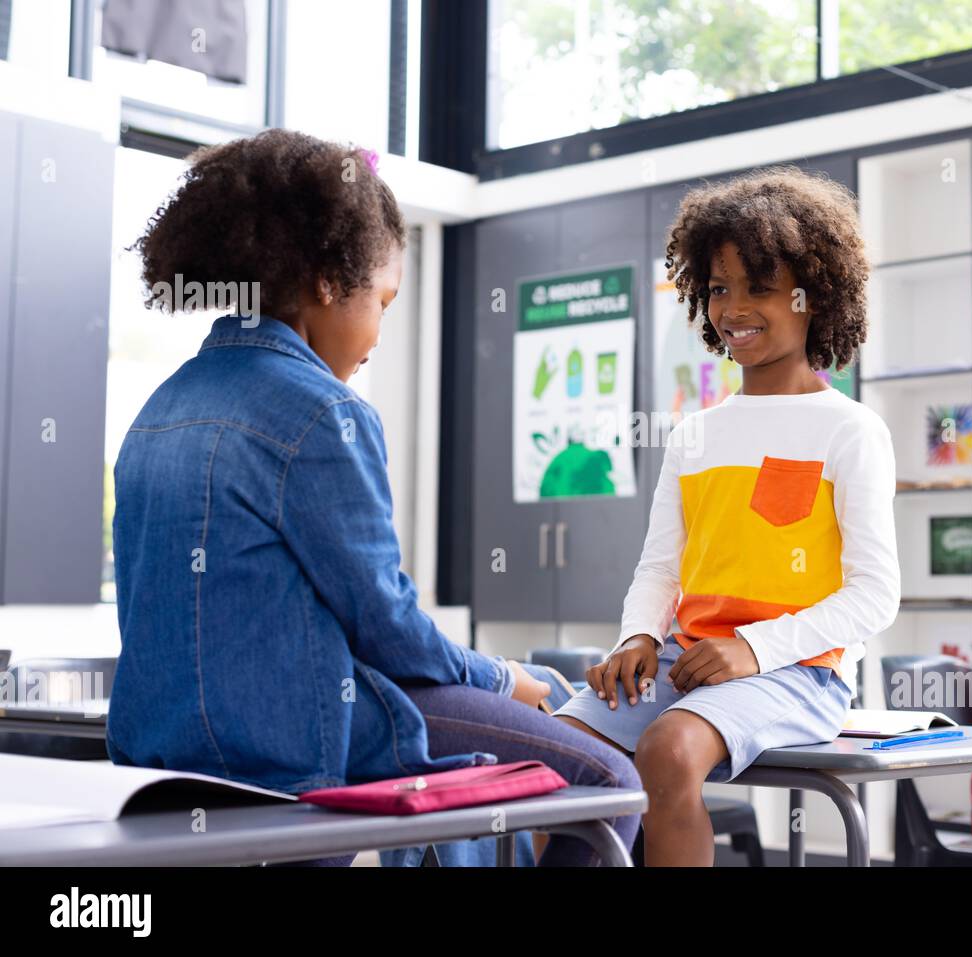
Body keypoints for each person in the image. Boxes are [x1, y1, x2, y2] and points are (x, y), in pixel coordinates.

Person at [106, 129, 640, 867]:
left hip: (160, 755)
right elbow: (386, 626)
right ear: (328, 278)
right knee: (610, 780)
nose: (381, 333)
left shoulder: (157, 411)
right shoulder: (324, 412)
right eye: (383, 301)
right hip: (297, 741)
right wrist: (503, 676)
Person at [548, 166, 901, 866]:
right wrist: (639, 636)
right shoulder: (694, 434)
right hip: (687, 662)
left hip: (801, 670)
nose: (732, 307)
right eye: (717, 288)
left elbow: (874, 594)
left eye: (759, 287)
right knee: (557, 752)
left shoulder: (849, 430)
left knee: (669, 748)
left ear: (814, 296)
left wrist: (753, 648)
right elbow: (660, 565)